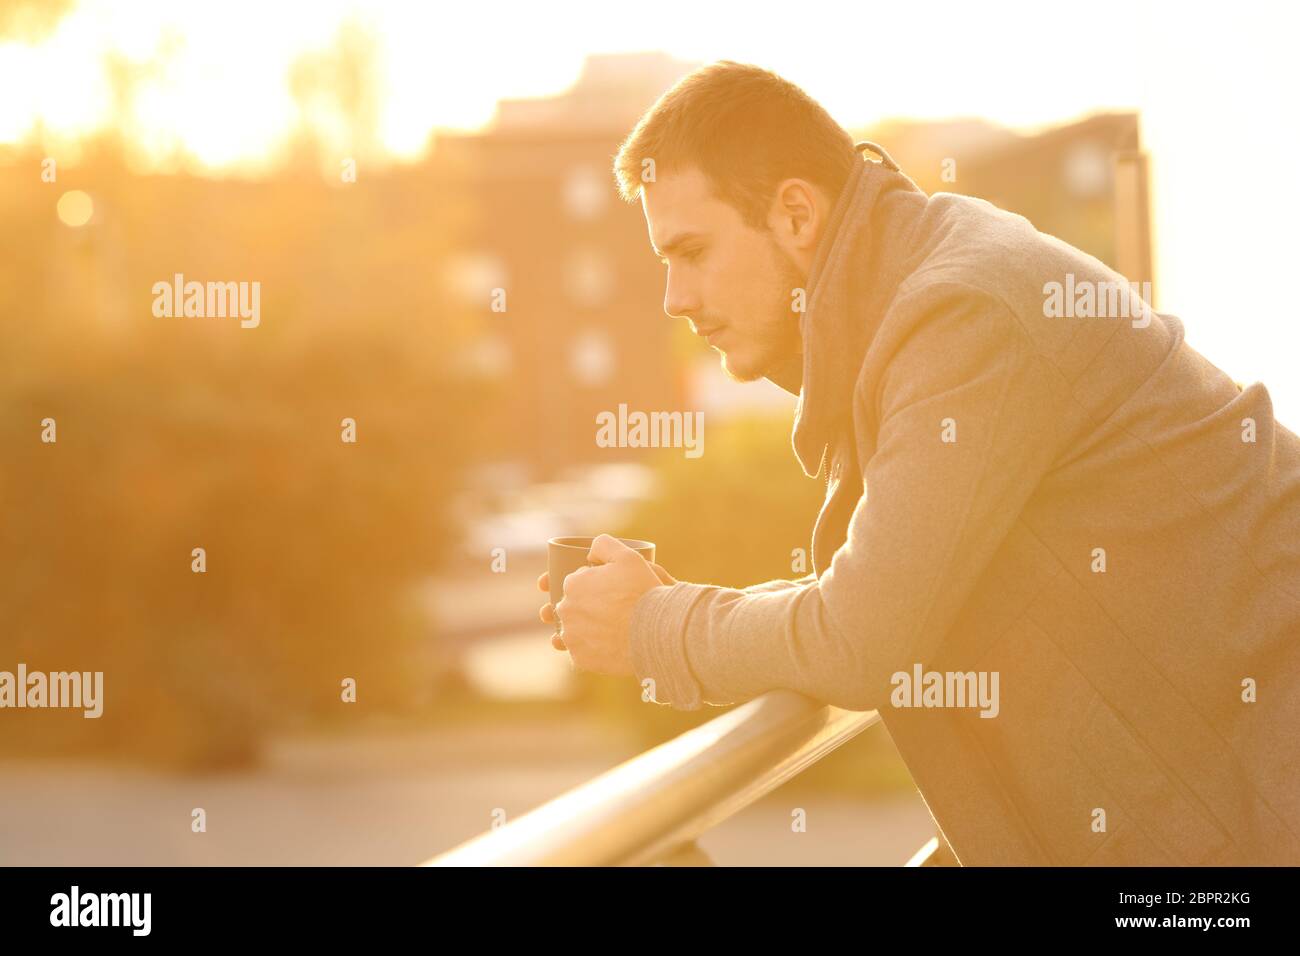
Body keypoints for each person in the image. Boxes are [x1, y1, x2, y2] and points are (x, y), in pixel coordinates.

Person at [537, 60, 1300, 866]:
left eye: (691, 251)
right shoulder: (920, 288)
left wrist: (655, 627)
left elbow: (864, 639)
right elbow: (886, 595)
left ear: (797, 213)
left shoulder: (959, 309)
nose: (674, 298)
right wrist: (678, 607)